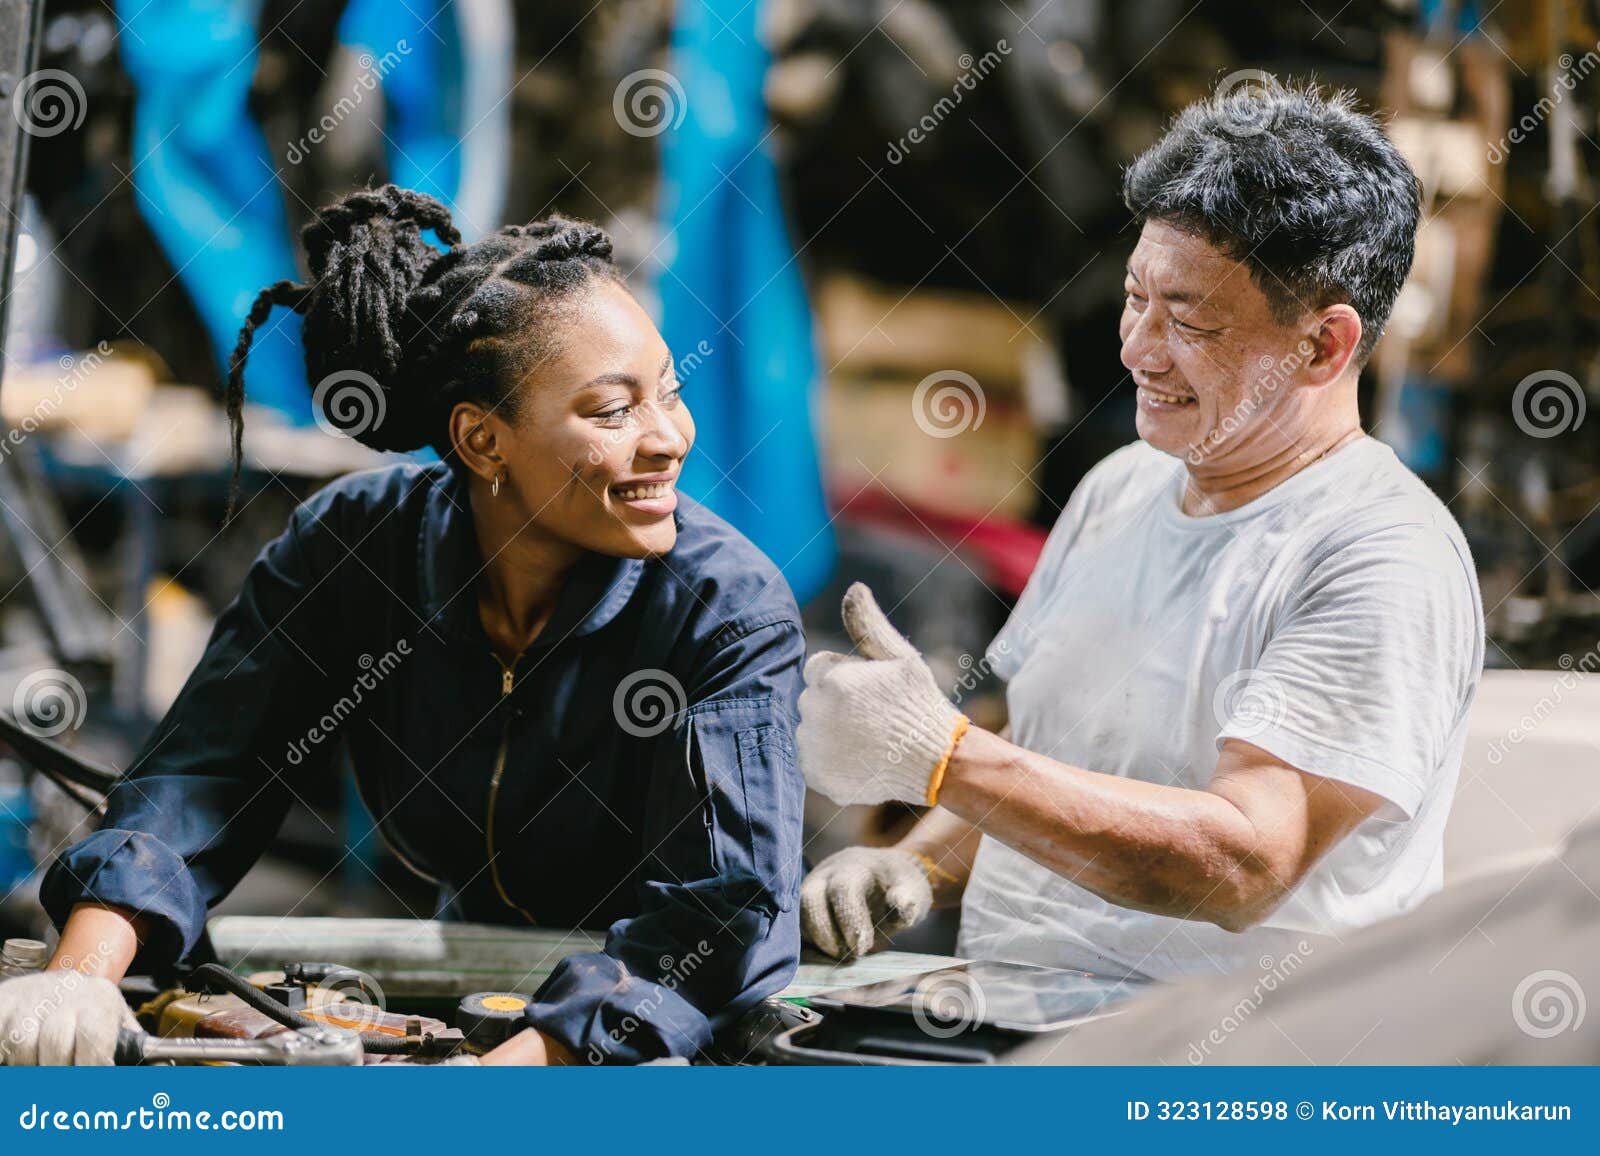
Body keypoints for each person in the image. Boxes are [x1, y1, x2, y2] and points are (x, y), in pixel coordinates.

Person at [0, 186, 805, 1066]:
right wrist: (79, 974)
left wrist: (515, 1077)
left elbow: (718, 916)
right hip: (476, 995)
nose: (669, 437)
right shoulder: (353, 549)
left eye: (670, 393)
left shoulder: (725, 610)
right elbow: (204, 777)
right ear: (482, 441)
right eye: (613, 411)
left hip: (648, 1039)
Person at [797, 80, 1485, 982]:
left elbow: (1245, 865)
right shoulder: (1120, 487)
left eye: (1189, 320)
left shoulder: (1379, 558)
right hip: (1016, 1027)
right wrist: (916, 864)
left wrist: (946, 758)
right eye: (1136, 300)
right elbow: (1047, 758)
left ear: (1322, 344)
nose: (1137, 348)